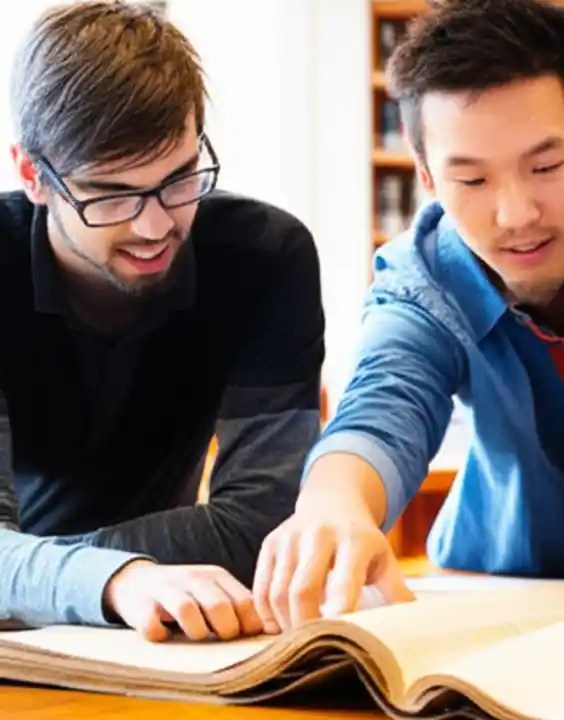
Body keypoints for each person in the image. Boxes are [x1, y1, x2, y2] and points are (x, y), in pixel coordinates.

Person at [254, 0, 564, 632]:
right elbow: (382, 403)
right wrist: (332, 505)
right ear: (425, 176)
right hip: (504, 598)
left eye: (546, 166)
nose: (517, 215)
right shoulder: (421, 277)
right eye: (471, 182)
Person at [0, 1, 325, 643]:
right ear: (34, 175)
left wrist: (36, 571)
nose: (155, 227)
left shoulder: (265, 258)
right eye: (111, 194)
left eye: (180, 180)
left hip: (169, 620)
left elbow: (263, 521)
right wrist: (112, 579)